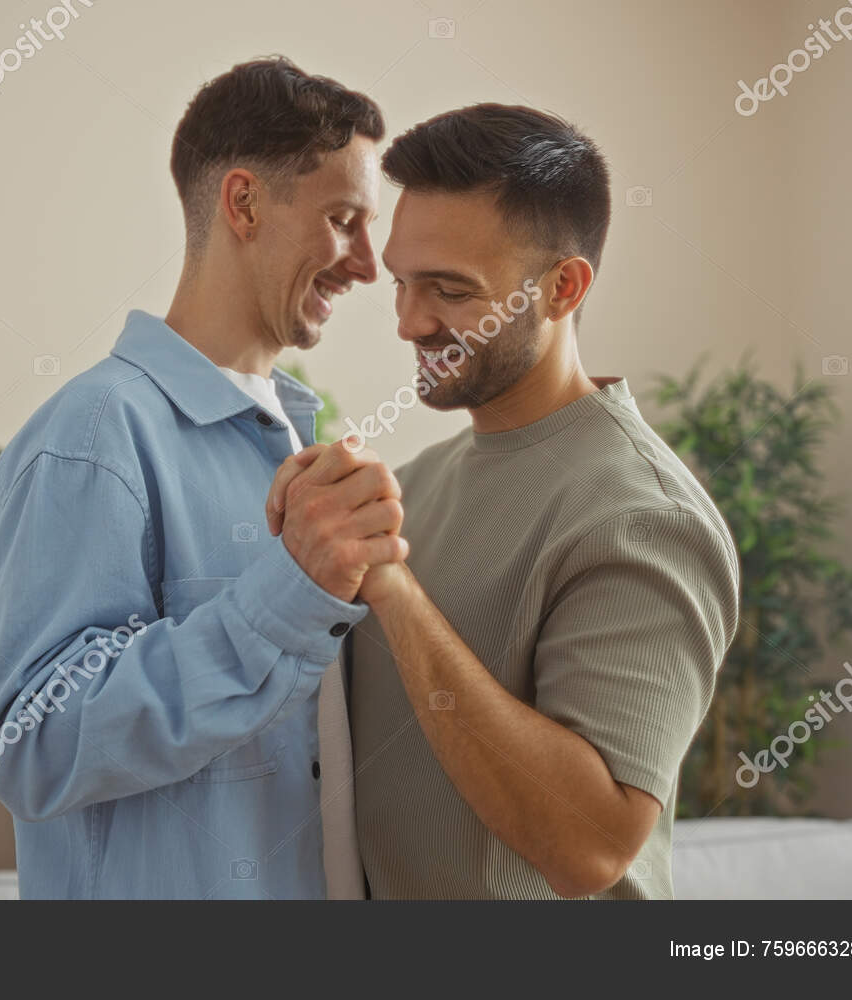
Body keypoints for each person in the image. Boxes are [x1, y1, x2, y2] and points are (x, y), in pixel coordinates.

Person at [268, 104, 741, 899]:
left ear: (563, 288)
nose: (410, 321)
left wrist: (390, 583)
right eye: (404, 283)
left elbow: (589, 849)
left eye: (450, 290)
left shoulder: (643, 518)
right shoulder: (416, 484)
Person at [0, 57, 398, 899]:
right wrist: (288, 593)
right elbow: (33, 747)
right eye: (344, 219)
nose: (367, 266)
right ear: (243, 203)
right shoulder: (94, 434)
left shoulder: (299, 434)